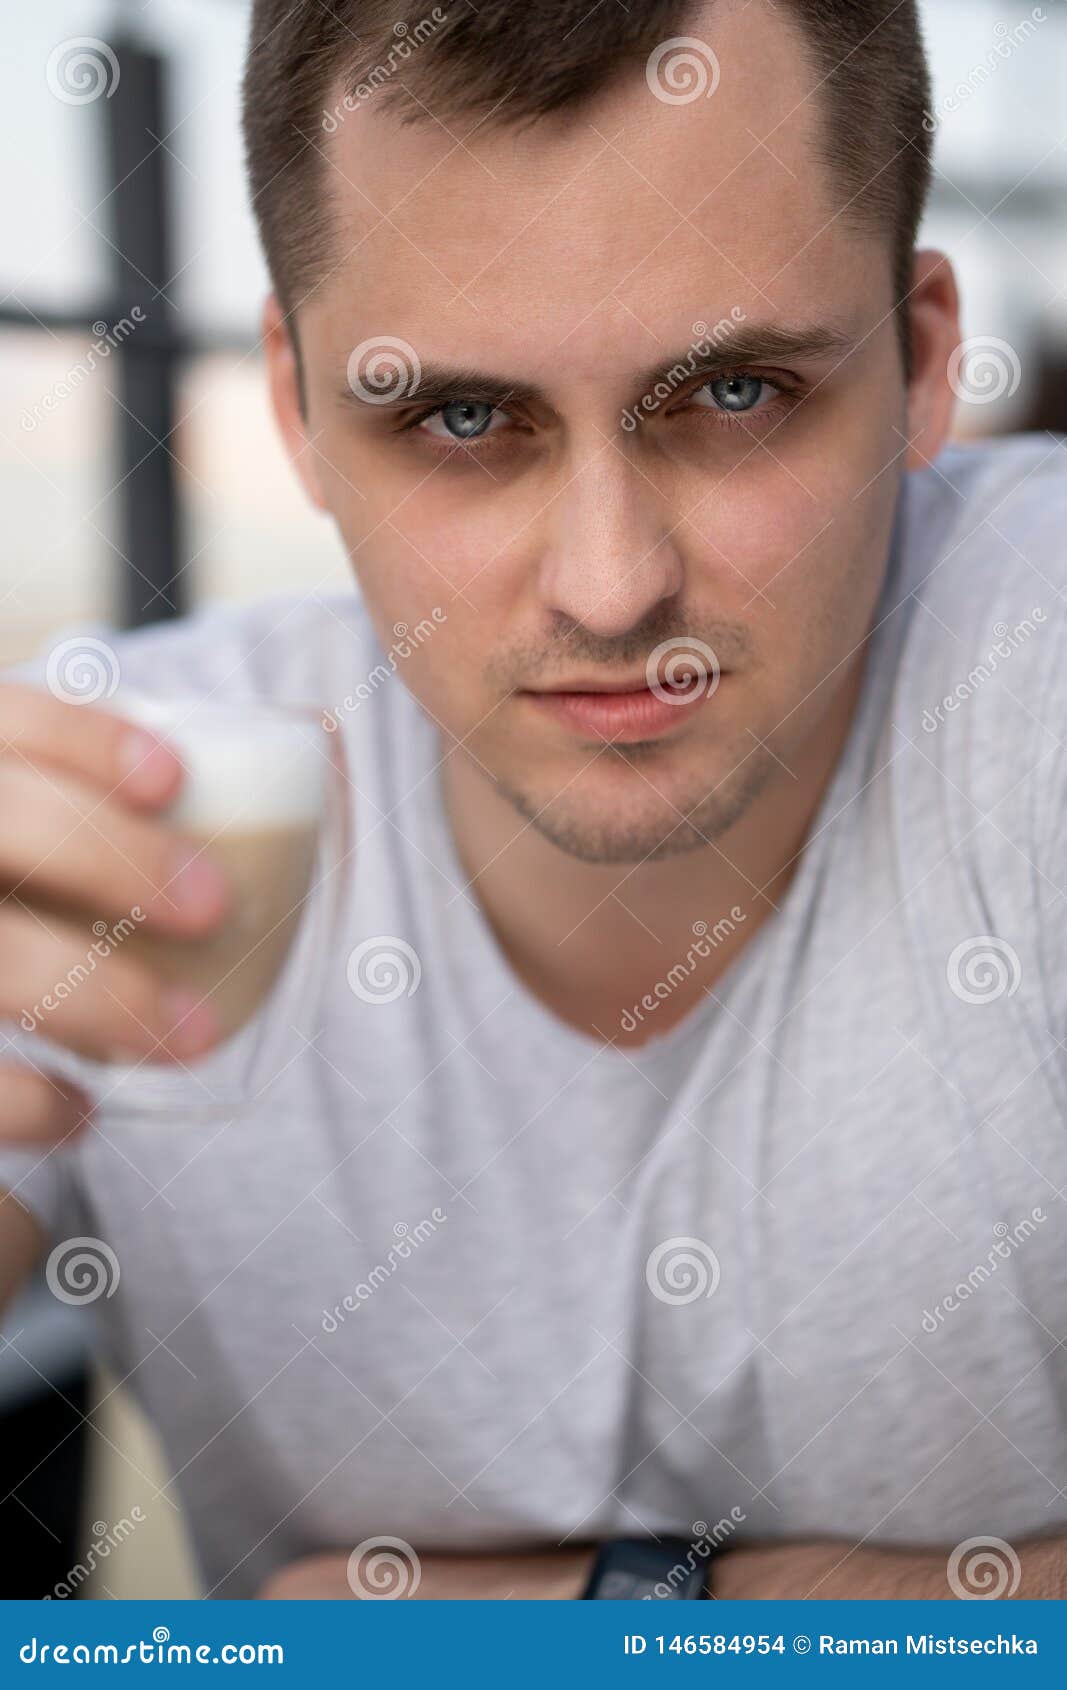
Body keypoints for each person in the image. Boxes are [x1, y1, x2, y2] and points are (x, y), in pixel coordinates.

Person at [1, 0, 1064, 1601]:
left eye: (734, 395)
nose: (611, 582)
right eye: (465, 420)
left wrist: (599, 1622)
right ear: (294, 407)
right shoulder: (122, 808)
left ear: (923, 366)